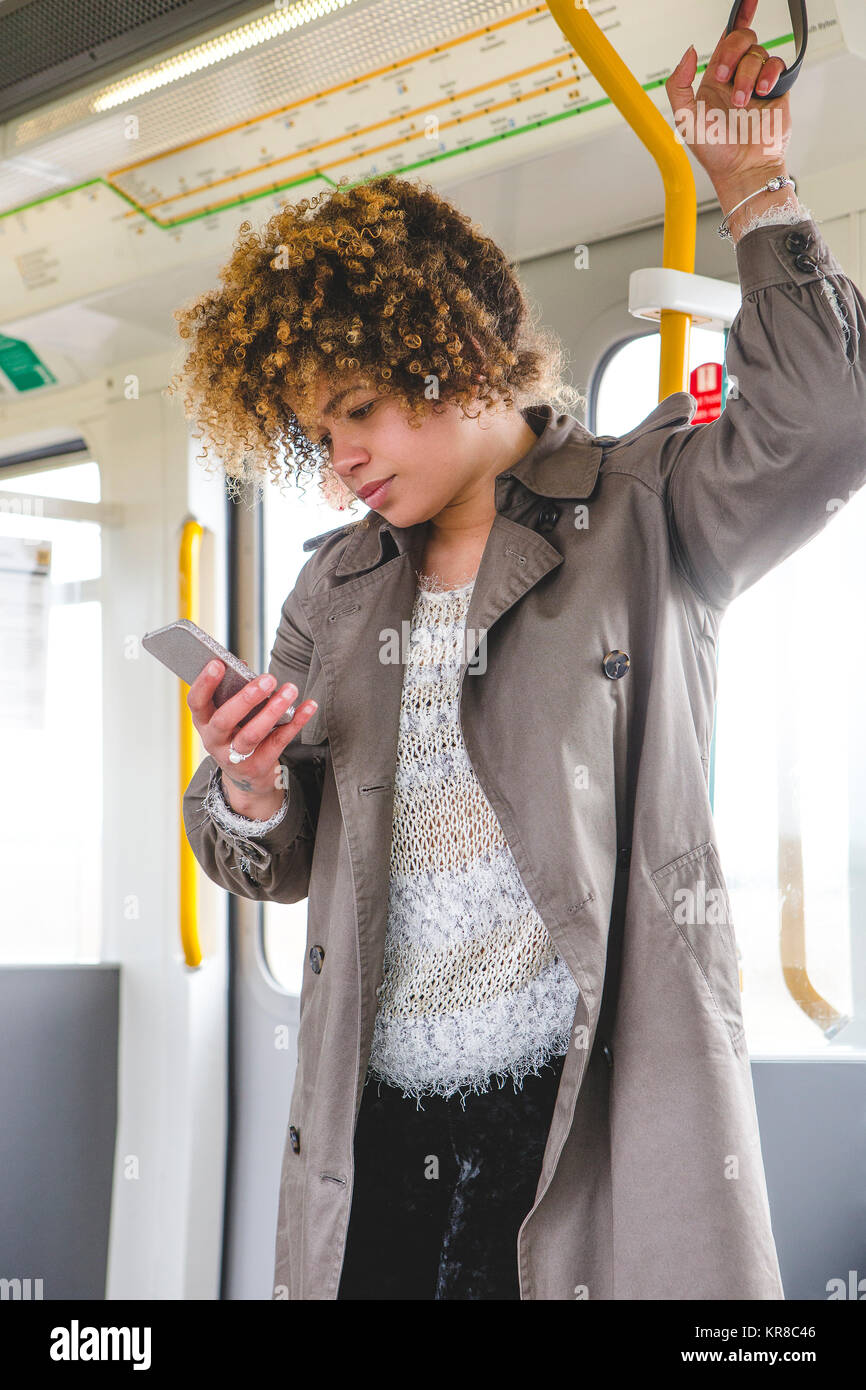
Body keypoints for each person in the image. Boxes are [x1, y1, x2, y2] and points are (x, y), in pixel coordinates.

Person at [170, 8, 866, 1299]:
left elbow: (825, 424)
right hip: (373, 1121)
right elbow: (272, 858)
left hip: (570, 1111)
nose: (341, 464)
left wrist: (751, 188)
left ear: (452, 347)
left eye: (359, 411)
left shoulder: (647, 502)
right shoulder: (333, 586)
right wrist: (252, 789)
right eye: (318, 436)